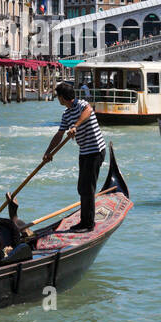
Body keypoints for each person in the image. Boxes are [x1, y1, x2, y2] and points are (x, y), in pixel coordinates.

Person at [44, 81, 106, 233]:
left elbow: (88, 111)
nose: (57, 99)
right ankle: (84, 221)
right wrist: (48, 152)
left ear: (63, 97)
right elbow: (59, 135)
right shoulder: (66, 114)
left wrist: (75, 126)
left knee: (87, 188)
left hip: (96, 150)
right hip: (84, 151)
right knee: (82, 188)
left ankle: (88, 224)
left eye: (58, 96)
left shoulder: (82, 104)